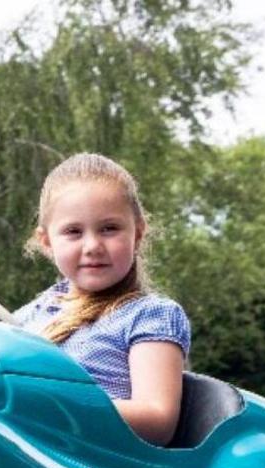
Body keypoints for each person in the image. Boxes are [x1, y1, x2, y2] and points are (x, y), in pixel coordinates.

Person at [14, 153, 191, 447]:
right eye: (73, 232)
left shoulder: (149, 315)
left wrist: (50, 405)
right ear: (46, 242)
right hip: (31, 458)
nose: (93, 246)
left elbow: (158, 421)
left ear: (138, 232)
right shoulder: (29, 317)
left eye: (109, 229)